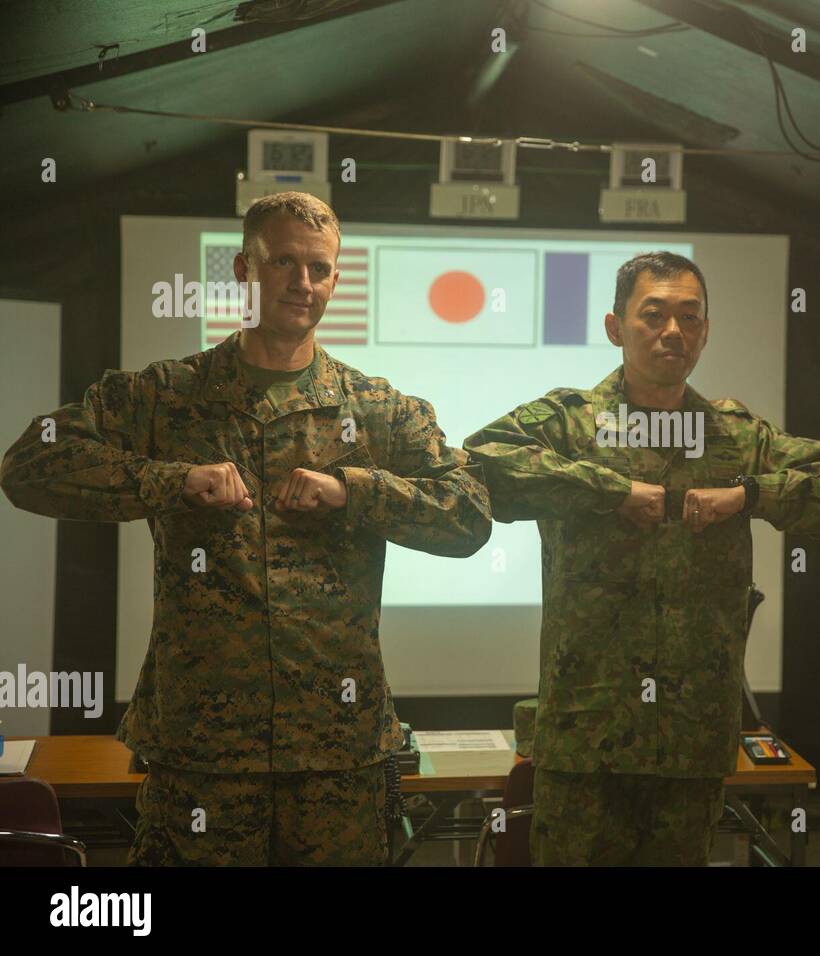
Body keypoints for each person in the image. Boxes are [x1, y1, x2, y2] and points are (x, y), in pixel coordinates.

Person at [0, 191, 492, 865]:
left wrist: (355, 489)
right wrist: (171, 481)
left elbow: (469, 515)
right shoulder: (165, 395)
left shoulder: (378, 410)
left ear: (337, 280)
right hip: (203, 753)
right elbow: (29, 465)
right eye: (284, 262)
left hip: (335, 757)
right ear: (242, 269)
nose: (303, 283)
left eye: (320, 269)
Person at [464, 251, 820, 865]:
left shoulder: (735, 435)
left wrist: (749, 494)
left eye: (689, 317)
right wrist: (608, 490)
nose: (674, 331)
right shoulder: (570, 422)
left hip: (691, 737)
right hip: (587, 734)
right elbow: (480, 461)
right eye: (654, 315)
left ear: (705, 331)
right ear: (616, 327)